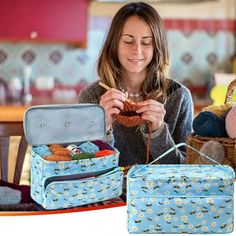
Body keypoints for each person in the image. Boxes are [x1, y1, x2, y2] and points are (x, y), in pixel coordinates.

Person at [78, 2, 193, 167]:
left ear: (157, 47)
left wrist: (159, 131)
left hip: (161, 193)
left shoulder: (179, 97)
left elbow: (186, 171)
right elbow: (83, 168)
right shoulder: (91, 97)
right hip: (109, 193)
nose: (137, 50)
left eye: (146, 42)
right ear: (114, 44)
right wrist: (102, 128)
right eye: (128, 41)